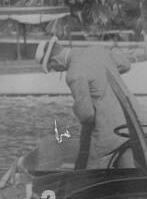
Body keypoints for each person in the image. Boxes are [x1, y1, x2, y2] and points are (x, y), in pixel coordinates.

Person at [37, 38, 141, 170]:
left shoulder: (74, 74)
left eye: (53, 68)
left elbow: (87, 116)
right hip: (132, 121)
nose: (57, 71)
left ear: (55, 60)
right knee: (129, 170)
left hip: (107, 133)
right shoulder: (97, 50)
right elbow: (126, 64)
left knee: (90, 174)